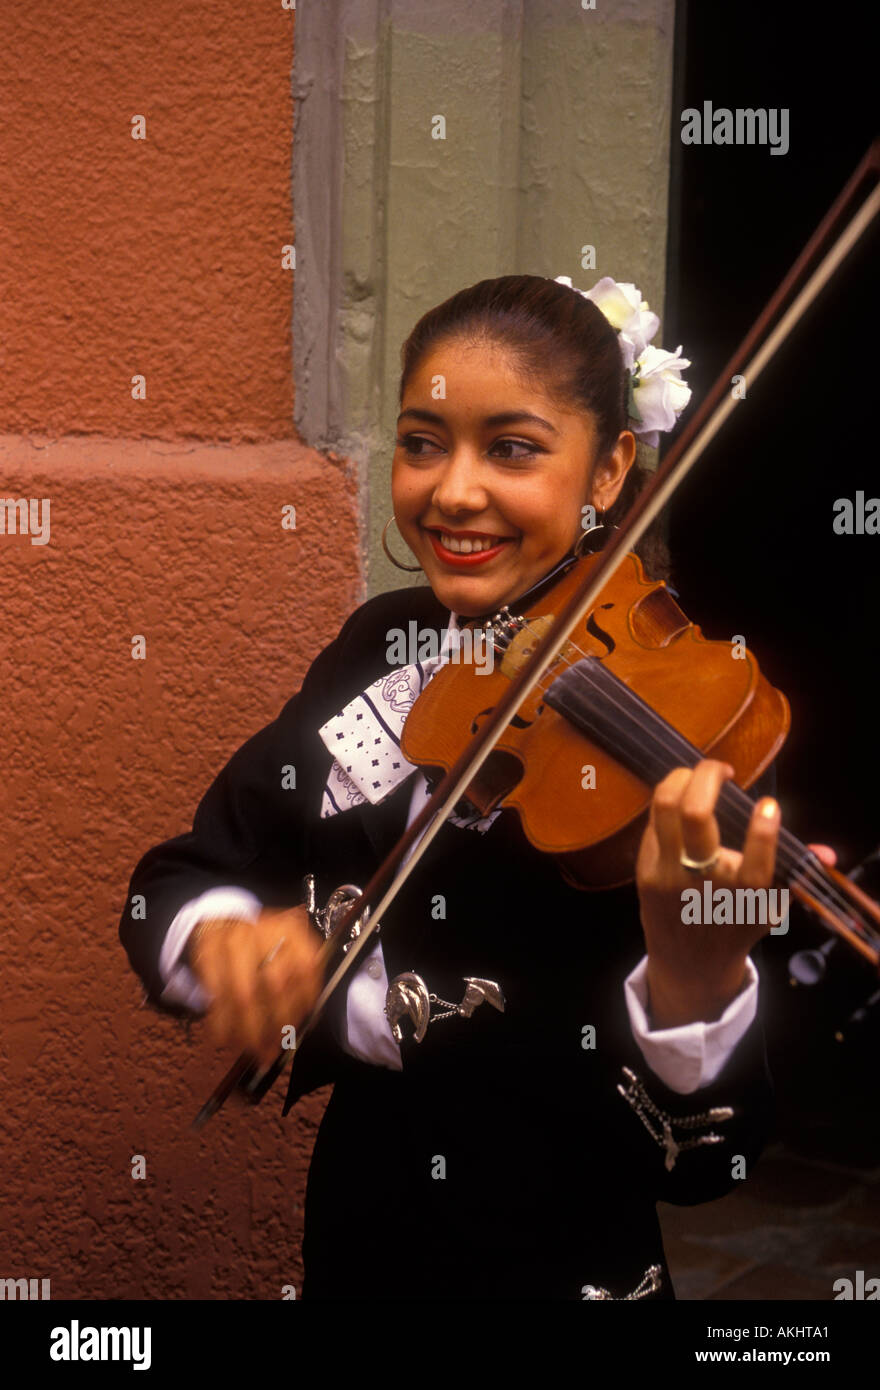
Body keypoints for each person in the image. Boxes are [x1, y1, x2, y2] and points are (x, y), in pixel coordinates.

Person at [119, 273, 831, 1300]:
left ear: (609, 469)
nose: (451, 490)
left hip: (568, 1267)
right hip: (367, 1238)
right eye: (422, 442)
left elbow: (707, 1170)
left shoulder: (690, 723)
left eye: (511, 448)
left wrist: (693, 977)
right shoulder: (383, 649)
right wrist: (222, 937)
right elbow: (181, 876)